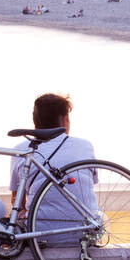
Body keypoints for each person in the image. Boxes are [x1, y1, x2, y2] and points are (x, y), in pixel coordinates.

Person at [9, 93, 100, 245]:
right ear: (65, 120)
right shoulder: (85, 146)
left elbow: (17, 202)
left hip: (38, 235)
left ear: (35, 120)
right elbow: (86, 186)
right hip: (85, 234)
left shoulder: (20, 150)